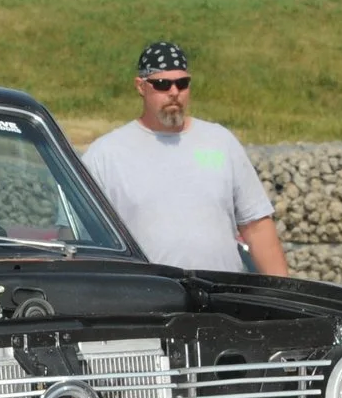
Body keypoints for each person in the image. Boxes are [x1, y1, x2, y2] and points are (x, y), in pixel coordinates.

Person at [82, 42, 288, 276]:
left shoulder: (220, 142)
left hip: (220, 293)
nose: (174, 92)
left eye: (182, 83)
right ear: (141, 86)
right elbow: (81, 238)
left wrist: (284, 291)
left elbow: (257, 227)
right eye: (162, 84)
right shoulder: (106, 155)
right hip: (146, 294)